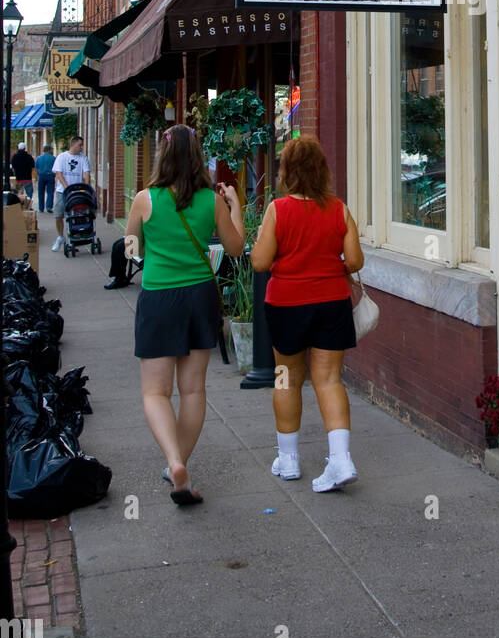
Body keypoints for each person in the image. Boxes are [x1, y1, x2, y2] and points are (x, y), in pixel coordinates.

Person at [125, 124, 244, 506]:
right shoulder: (211, 201)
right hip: (199, 297)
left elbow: (129, 250)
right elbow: (237, 249)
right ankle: (180, 463)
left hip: (158, 299)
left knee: (155, 391)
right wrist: (235, 206)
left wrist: (152, 247)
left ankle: (174, 462)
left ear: (162, 156)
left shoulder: (144, 200)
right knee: (193, 389)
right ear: (197, 157)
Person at [251, 134, 364, 492]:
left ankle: (288, 460)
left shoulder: (278, 210)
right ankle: (341, 459)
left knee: (286, 376)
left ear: (286, 170)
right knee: (329, 380)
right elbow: (356, 261)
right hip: (332, 301)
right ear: (321, 170)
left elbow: (260, 262)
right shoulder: (338, 208)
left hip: (287, 303)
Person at [52, 136, 91, 251]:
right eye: (80, 145)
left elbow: (86, 174)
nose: (81, 147)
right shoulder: (61, 157)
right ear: (73, 144)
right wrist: (66, 187)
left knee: (75, 216)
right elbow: (59, 174)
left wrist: (86, 186)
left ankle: (73, 237)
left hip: (77, 193)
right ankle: (60, 237)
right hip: (62, 192)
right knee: (58, 215)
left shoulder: (83, 158)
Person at [35, 143, 56, 213]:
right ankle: (49, 206)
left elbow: (36, 168)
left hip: (41, 175)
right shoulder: (53, 158)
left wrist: (37, 175)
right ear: (49, 150)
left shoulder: (39, 158)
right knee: (50, 192)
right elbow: (56, 168)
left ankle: (41, 208)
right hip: (50, 176)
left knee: (41, 192)